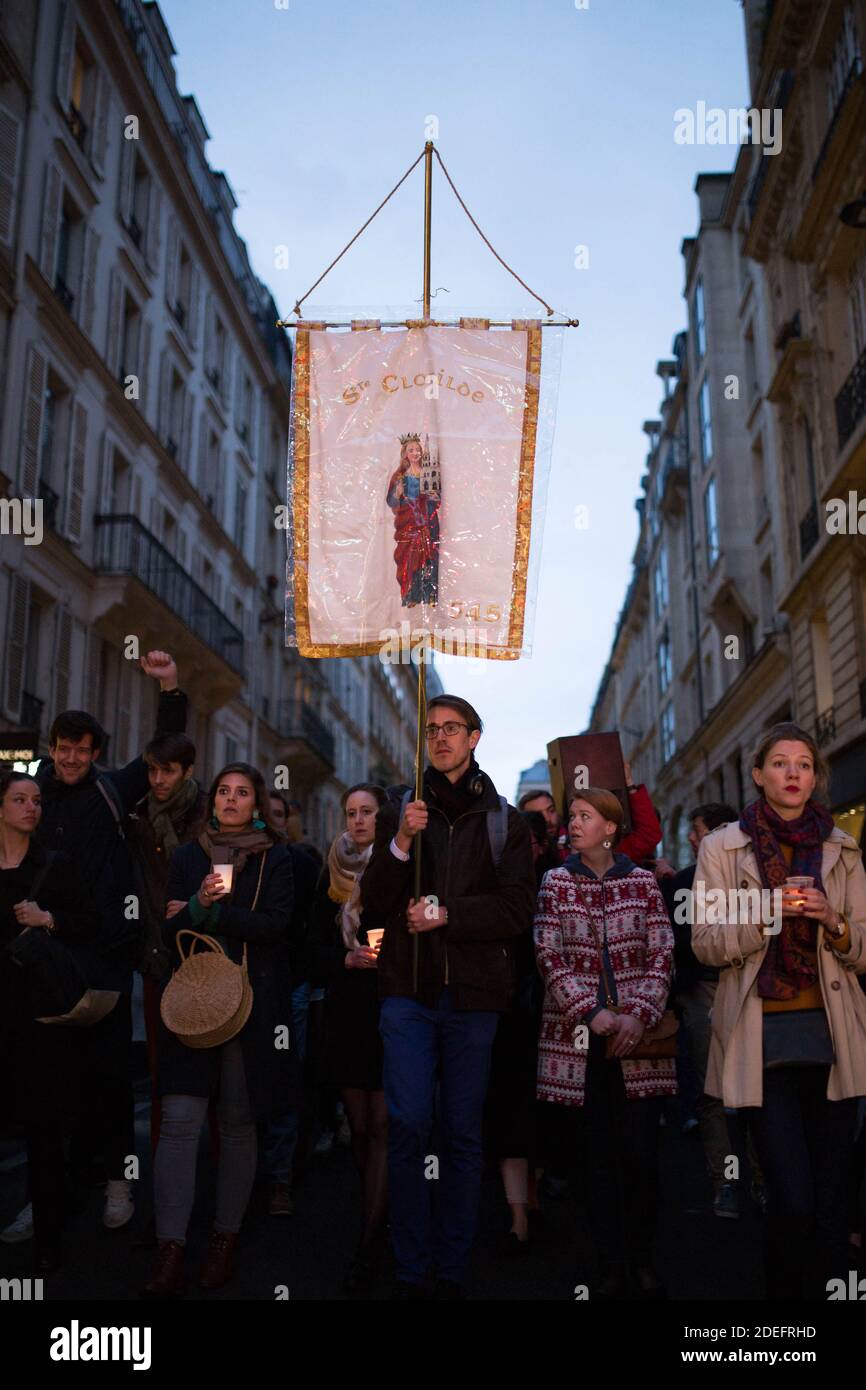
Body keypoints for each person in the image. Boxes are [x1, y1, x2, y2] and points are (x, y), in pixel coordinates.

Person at [361, 694, 536, 1299]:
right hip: (405, 989)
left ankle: (452, 1268)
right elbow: (376, 900)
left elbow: (517, 909)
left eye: (451, 729)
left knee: (461, 1131)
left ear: (474, 737)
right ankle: (411, 1265)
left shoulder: (504, 822)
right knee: (409, 1124)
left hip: (473, 995)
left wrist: (448, 914)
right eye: (431, 729)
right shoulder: (401, 810)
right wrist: (401, 845)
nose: (439, 738)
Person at [693, 722, 866, 1301]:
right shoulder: (723, 846)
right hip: (760, 1039)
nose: (793, 774)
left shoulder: (842, 847)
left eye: (804, 765)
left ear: (815, 776)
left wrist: (833, 922)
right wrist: (769, 910)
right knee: (792, 1201)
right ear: (759, 774)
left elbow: (863, 947)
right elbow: (706, 944)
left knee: (830, 1204)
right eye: (780, 763)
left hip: (835, 1039)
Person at [33, 651, 187, 1233]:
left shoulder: (110, 791)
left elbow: (162, 747)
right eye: (63, 747)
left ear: (95, 754)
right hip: (46, 957)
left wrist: (169, 685)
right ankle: (51, 1194)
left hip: (103, 956)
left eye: (82, 749)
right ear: (53, 747)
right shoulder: (30, 795)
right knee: (49, 1086)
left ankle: (118, 1184)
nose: (71, 757)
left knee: (109, 1078)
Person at [143, 763, 296, 1297]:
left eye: (242, 793)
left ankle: (224, 1239)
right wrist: (194, 910)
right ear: (212, 801)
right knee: (181, 1120)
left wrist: (211, 909)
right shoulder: (188, 855)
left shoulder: (275, 858)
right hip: (193, 998)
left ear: (256, 804)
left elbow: (277, 926)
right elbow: (169, 927)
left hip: (251, 1003)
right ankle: (170, 1246)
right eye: (224, 792)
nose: (231, 800)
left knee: (236, 1124)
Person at [534, 787, 676, 1300]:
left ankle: (641, 1256)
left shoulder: (642, 883)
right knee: (595, 1156)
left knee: (640, 1153)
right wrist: (589, 1011)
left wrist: (636, 1015)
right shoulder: (555, 882)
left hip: (639, 1041)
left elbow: (662, 952)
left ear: (611, 827)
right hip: (580, 1042)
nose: (573, 822)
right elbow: (548, 953)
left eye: (585, 815)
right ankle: (610, 1261)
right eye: (571, 815)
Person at [0, 770, 101, 1270]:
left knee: (42, 1129)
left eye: (37, 800)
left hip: (39, 1012)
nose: (31, 807)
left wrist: (49, 920)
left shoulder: (54, 866)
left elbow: (89, 921)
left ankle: (48, 1237)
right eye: (20, 799)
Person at [307, 782, 389, 1293]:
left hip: (389, 1008)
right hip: (345, 1009)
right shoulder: (330, 870)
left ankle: (369, 1238)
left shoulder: (398, 866)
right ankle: (374, 1203)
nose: (358, 820)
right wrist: (342, 957)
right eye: (351, 812)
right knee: (358, 1130)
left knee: (381, 1128)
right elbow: (308, 947)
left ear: (384, 816)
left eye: (368, 812)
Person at [659, 802, 740, 1219]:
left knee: (757, 1091)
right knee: (713, 1092)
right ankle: (725, 1182)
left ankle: (762, 1181)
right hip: (702, 993)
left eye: (698, 830)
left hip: (746, 991)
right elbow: (676, 941)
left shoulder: (751, 879)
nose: (692, 838)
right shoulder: (684, 883)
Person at [127, 733, 206, 1159]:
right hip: (157, 955)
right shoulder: (138, 814)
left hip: (205, 957)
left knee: (210, 1073)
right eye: (153, 769)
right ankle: (162, 1184)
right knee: (162, 1077)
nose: (157, 779)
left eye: (168, 770)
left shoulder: (210, 812)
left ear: (187, 772)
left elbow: (261, 833)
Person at [484, 809, 547, 1254]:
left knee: (539, 1113)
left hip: (547, 1017)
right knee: (510, 1114)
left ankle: (532, 1202)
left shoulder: (556, 886)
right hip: (504, 1016)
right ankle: (517, 1214)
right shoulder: (491, 888)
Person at [261, 787, 320, 1216]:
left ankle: (279, 1178)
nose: (272, 820)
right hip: (245, 985)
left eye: (279, 813)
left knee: (285, 1080)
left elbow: (308, 927)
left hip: (290, 985)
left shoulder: (300, 863)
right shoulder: (229, 859)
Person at [520, 761, 661, 866]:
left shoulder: (603, 848)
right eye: (537, 814)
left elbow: (648, 835)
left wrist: (629, 784)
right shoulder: (527, 855)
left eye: (551, 810)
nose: (547, 819)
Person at [386, 433, 440, 608]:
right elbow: (391, 501)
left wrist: (433, 497)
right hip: (409, 521)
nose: (415, 453)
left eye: (418, 450)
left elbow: (437, 496)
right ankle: (412, 594)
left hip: (427, 519)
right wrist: (397, 493)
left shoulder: (428, 471)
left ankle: (429, 594)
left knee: (429, 555)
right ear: (405, 454)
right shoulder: (400, 475)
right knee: (410, 557)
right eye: (411, 450)